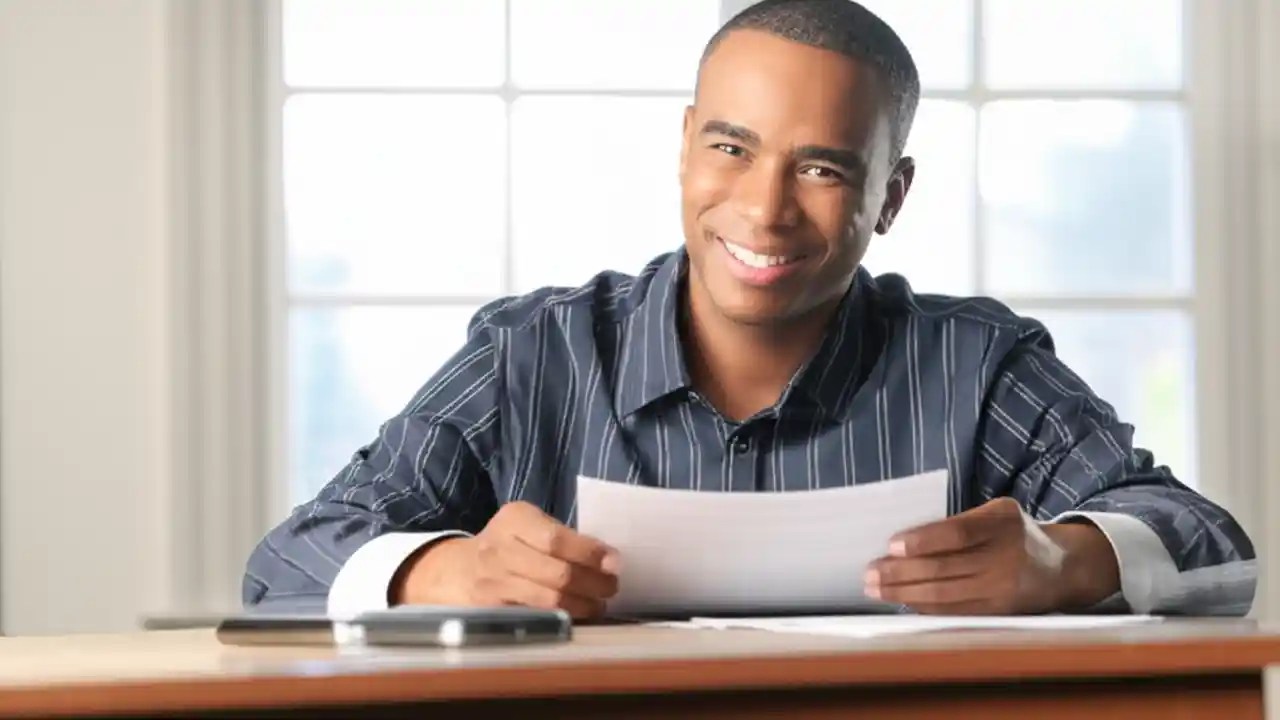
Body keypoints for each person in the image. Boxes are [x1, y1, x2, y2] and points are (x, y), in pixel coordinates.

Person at [244, 0, 1256, 619]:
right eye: (731, 148)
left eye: (821, 168)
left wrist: (1058, 561)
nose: (764, 210)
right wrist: (444, 572)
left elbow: (1209, 542)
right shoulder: (532, 353)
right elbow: (288, 559)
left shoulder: (977, 365)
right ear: (685, 145)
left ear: (890, 196)